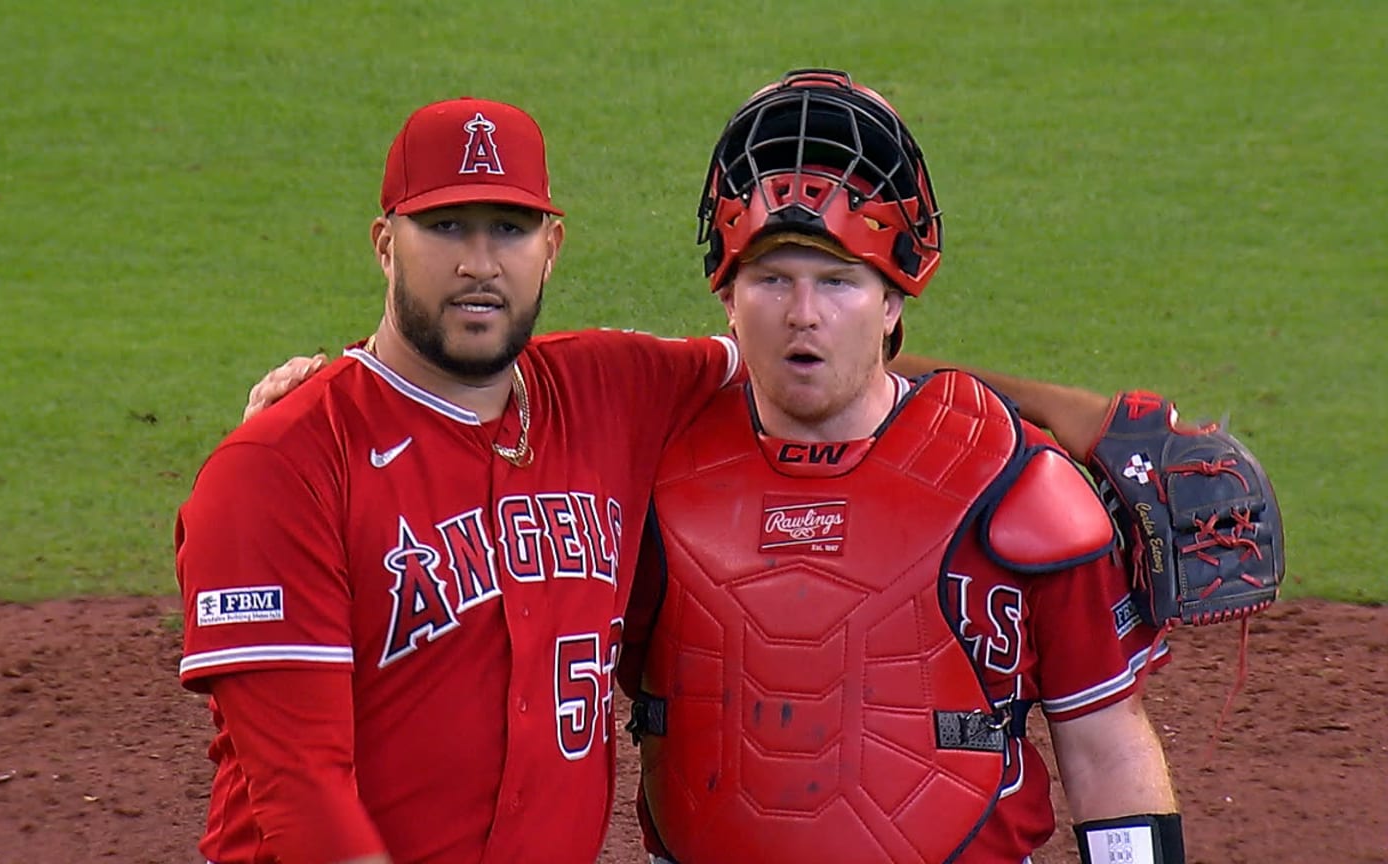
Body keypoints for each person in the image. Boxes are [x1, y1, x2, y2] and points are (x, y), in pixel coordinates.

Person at [240, 72, 1188, 864]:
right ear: (727, 299)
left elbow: (1105, 747)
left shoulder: (1017, 489)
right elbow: (454, 380)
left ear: (896, 304)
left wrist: (1083, 421)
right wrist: (332, 405)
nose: (803, 315)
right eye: (772, 280)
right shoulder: (650, 455)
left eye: (841, 284)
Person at [175, 97, 745, 864]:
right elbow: (305, 798)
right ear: (385, 244)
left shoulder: (614, 388)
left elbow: (807, 368)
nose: (480, 262)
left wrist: (957, 412)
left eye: (508, 229)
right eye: (445, 227)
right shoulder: (280, 467)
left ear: (552, 246)